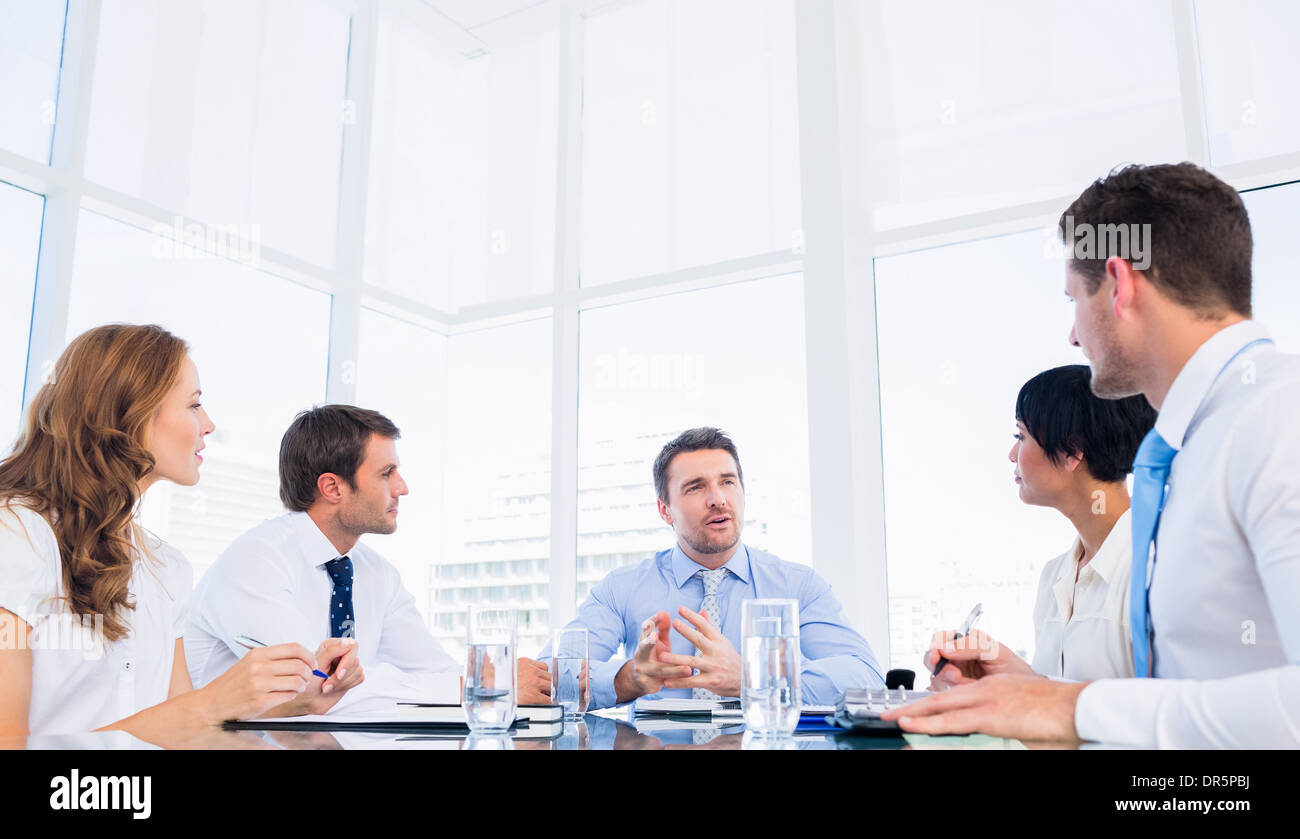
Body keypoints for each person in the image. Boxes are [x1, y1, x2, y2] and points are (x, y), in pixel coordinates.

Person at [886, 162, 1300, 747]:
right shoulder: (1195, 447)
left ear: (1119, 284)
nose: (1074, 336)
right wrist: (1038, 695)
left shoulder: (1279, 419)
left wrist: (1075, 707)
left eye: (1075, 299)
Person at [0, 324, 351, 739]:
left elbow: (189, 736)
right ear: (131, 413)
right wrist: (209, 704)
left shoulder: (166, 568)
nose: (209, 424)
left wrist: (296, 701)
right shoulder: (17, 534)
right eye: (194, 404)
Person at [184, 404, 552, 709]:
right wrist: (483, 685)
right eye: (386, 473)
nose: (402, 488)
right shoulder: (257, 561)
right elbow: (317, 688)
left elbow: (431, 670)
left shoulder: (377, 573)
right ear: (332, 487)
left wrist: (491, 680)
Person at [539, 426, 884, 710]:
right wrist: (626, 679)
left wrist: (755, 678)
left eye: (727, 482)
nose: (717, 498)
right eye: (696, 487)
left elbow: (865, 678)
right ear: (665, 510)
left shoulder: (798, 585)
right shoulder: (622, 587)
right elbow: (549, 679)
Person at [928, 365, 1154, 686]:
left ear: (1072, 453)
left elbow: (1168, 713)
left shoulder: (1154, 571)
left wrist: (1028, 690)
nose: (1011, 454)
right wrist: (1004, 685)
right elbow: (1055, 709)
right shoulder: (1055, 575)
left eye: (1020, 436)